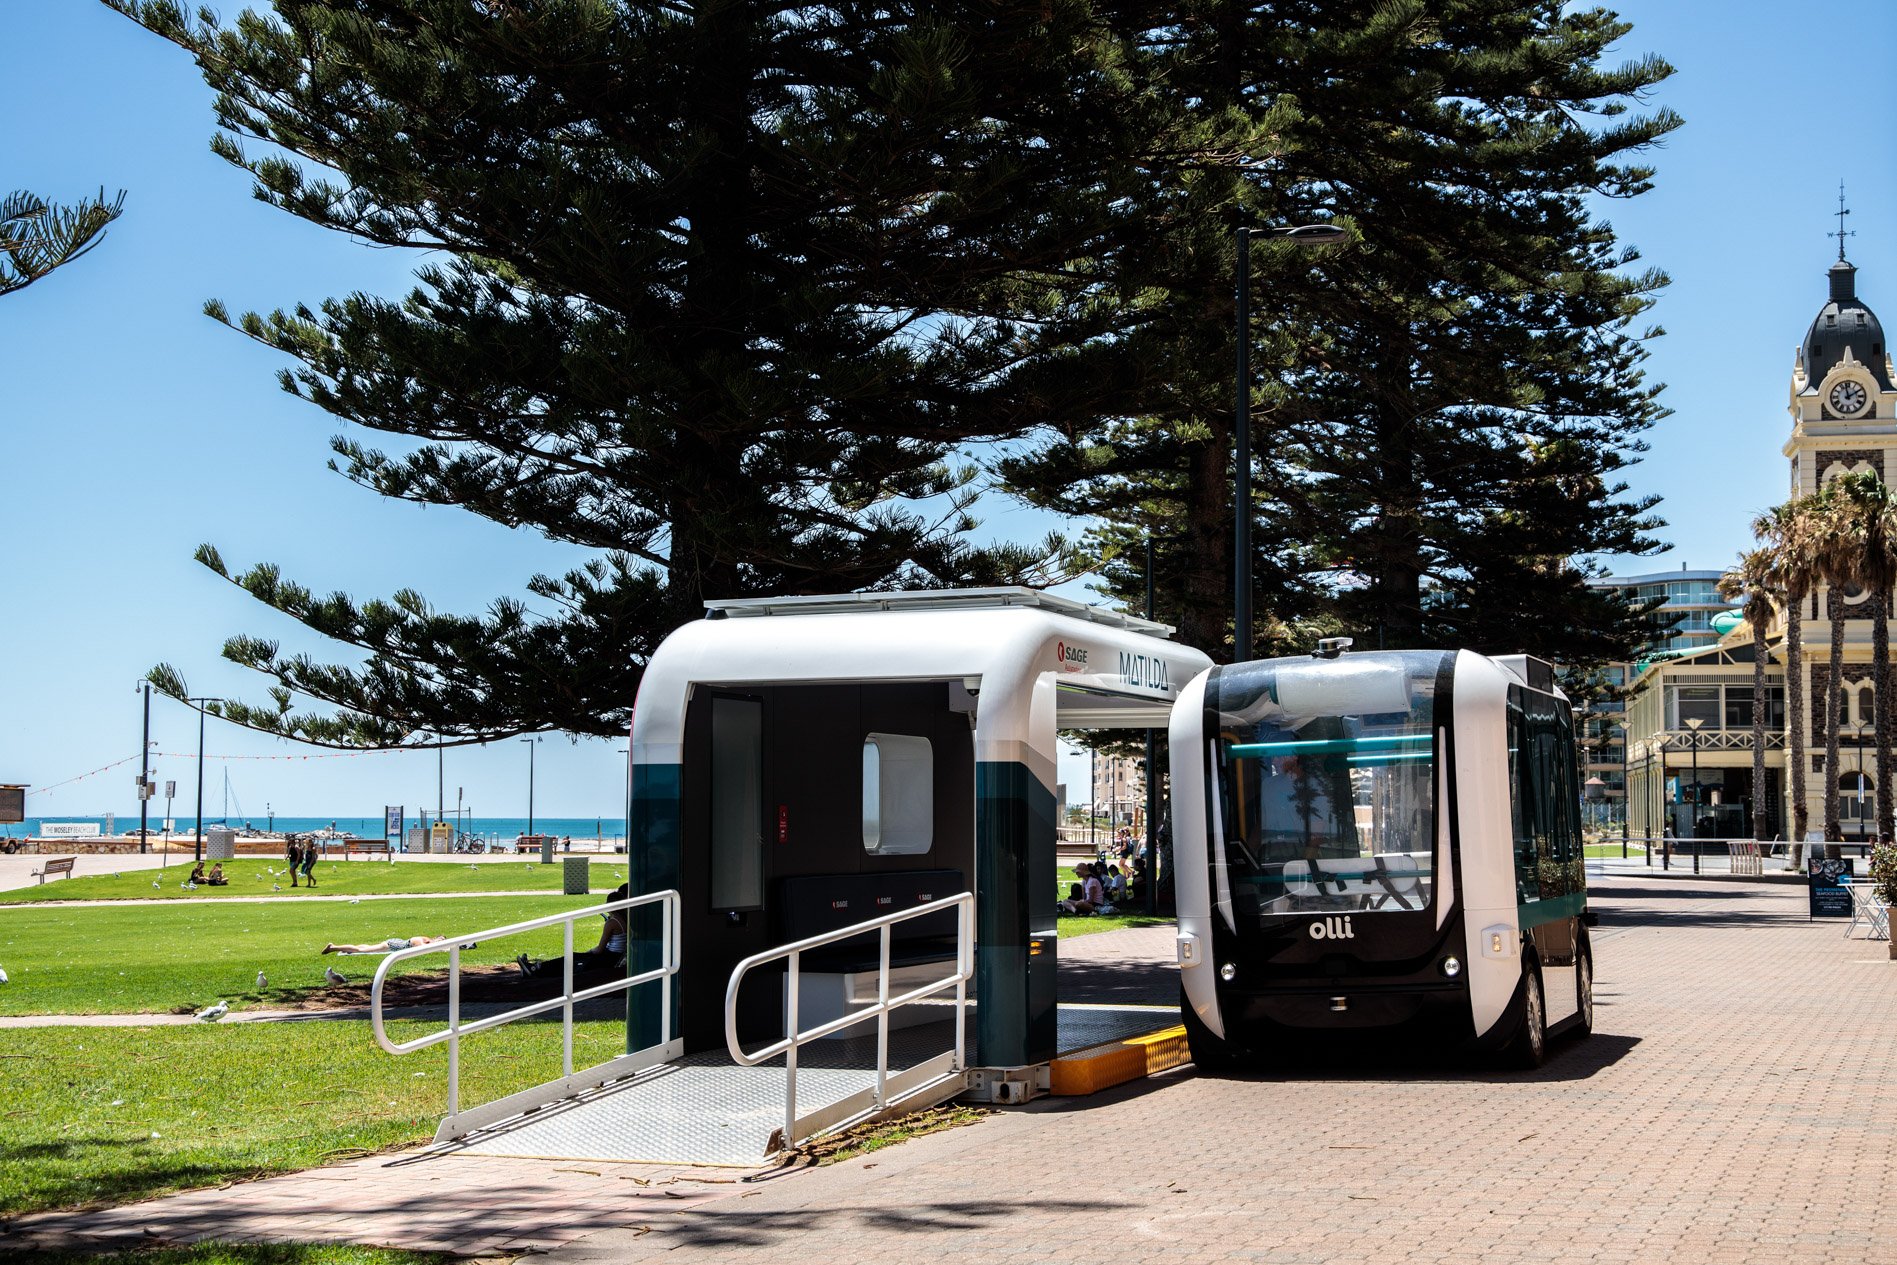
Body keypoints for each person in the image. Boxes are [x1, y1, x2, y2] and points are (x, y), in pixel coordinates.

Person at [519, 884, 629, 978]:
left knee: (570, 959)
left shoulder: (611, 923)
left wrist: (589, 952)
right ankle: (536, 968)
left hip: (608, 958)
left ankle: (536, 969)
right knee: (573, 958)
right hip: (613, 956)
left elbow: (600, 949)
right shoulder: (624, 919)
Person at [324, 934, 444, 954]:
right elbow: (423, 949)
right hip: (391, 945)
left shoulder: (424, 940)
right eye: (440, 941)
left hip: (393, 943)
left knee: (368, 948)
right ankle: (333, 947)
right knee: (361, 951)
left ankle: (346, 949)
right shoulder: (421, 940)